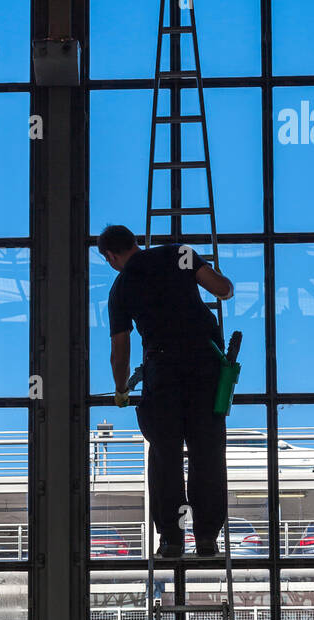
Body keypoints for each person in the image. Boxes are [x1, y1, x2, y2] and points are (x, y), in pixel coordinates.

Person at [99, 224, 235, 560]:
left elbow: (120, 349)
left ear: (112, 255)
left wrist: (120, 389)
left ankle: (172, 539)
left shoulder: (120, 289)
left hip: (163, 372)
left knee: (165, 456)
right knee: (208, 453)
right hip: (205, 365)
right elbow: (223, 290)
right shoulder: (178, 253)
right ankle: (206, 538)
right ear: (135, 242)